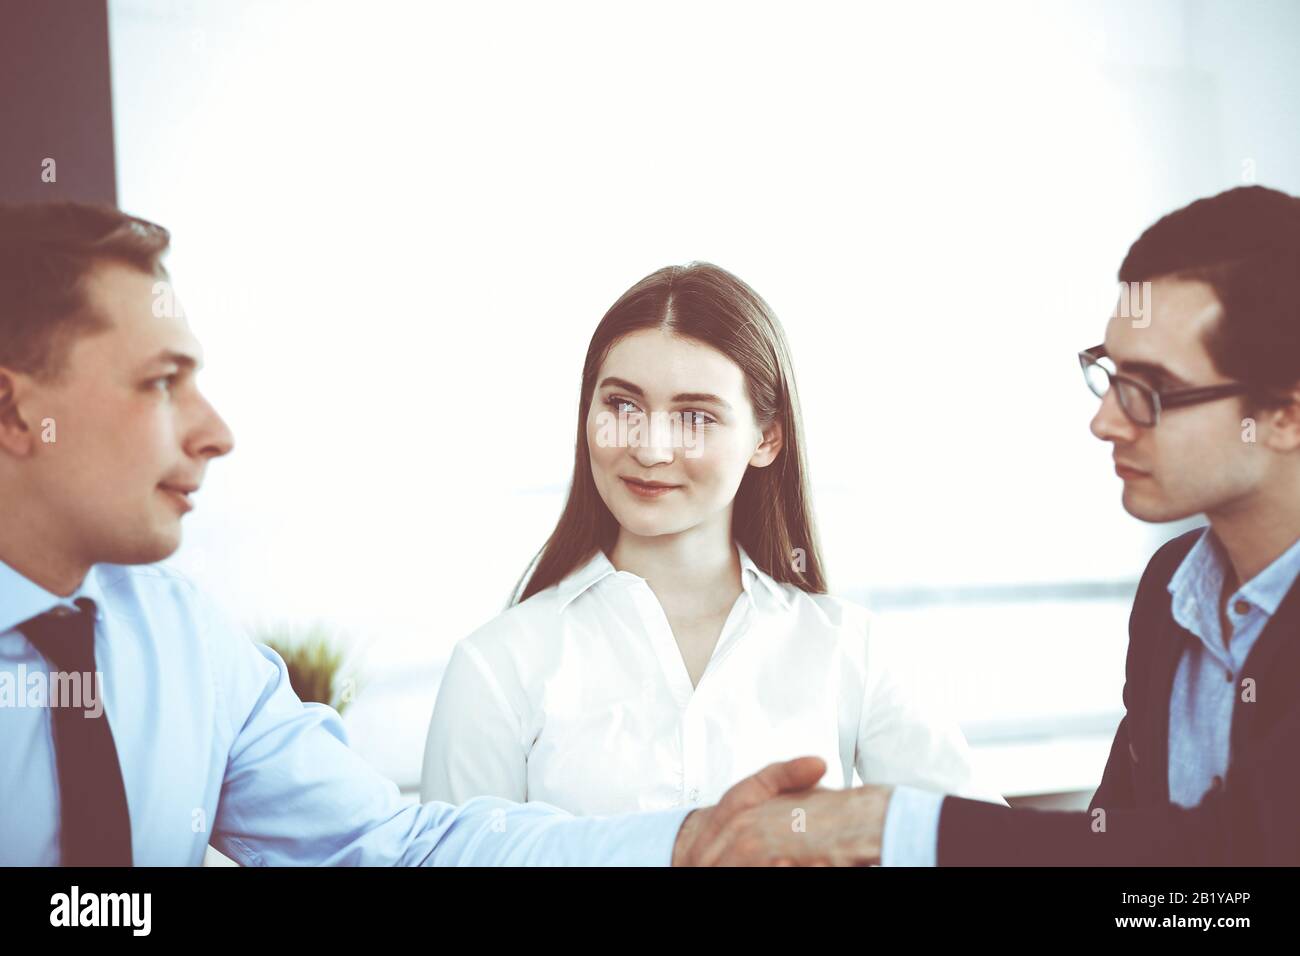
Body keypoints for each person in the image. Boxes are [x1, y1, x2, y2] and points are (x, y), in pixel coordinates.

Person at [0, 201, 822, 866]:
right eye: (160, 383)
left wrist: (691, 842)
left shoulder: (185, 643)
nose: (215, 432)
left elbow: (394, 847)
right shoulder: (506, 662)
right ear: (14, 412)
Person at [692, 186, 1300, 866]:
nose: (1105, 421)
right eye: (1112, 372)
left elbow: (1244, 855)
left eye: (1151, 389)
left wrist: (893, 827)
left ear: (1284, 414)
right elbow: (1123, 848)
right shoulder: (1174, 589)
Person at [421, 262, 1004, 826]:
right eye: (622, 405)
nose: (649, 448)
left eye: (695, 417)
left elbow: (986, 847)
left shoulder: (850, 652)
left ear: (767, 438)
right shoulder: (496, 666)